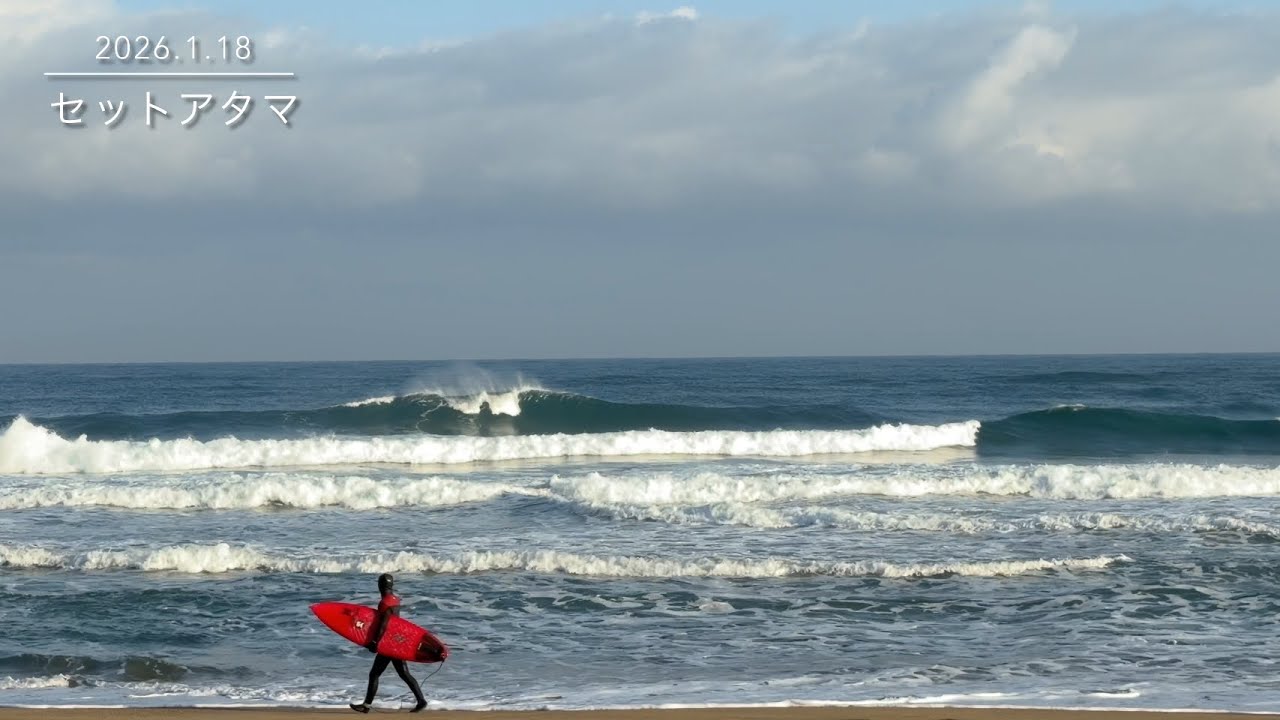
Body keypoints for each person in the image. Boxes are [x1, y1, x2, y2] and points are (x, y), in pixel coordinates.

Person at [349, 573, 428, 713]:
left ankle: (366, 706)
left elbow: (384, 624)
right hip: (397, 641)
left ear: (380, 585)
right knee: (404, 674)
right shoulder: (395, 600)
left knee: (374, 674)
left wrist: (375, 641)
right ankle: (421, 701)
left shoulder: (385, 602)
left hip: (388, 644)